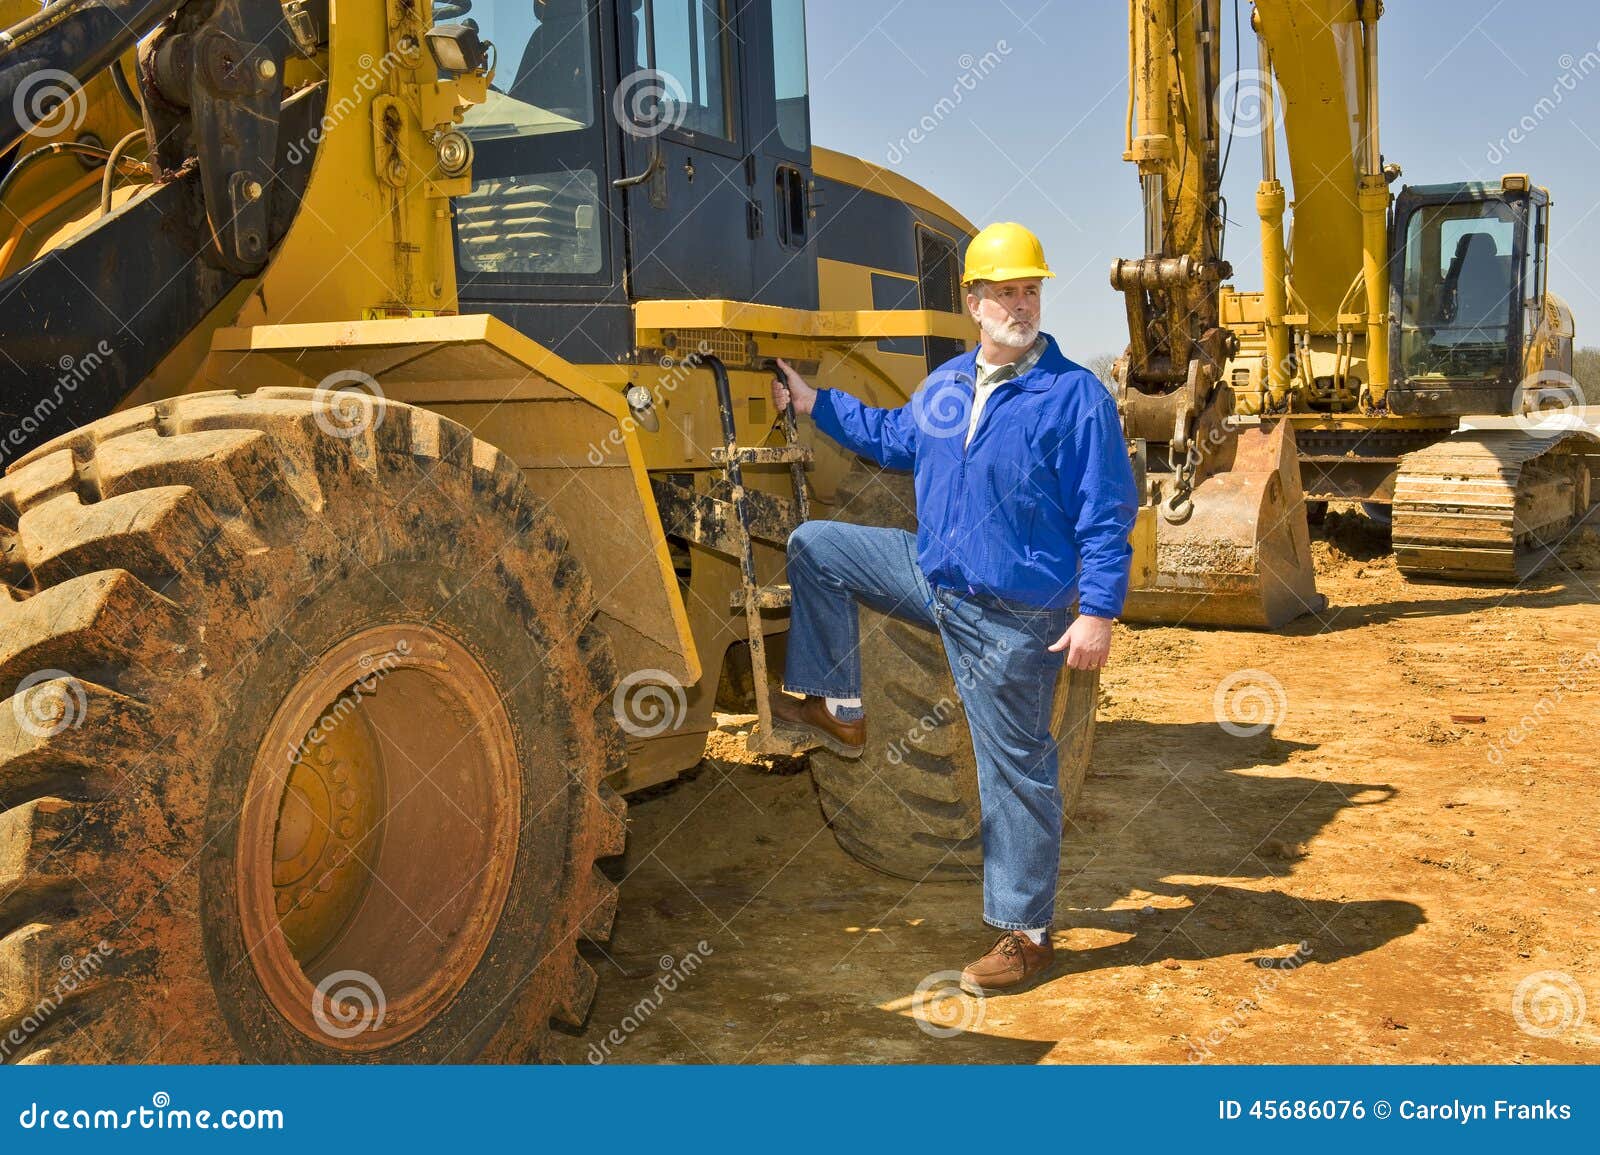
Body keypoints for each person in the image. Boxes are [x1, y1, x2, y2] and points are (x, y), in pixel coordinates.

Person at [767, 222, 1138, 996]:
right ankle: (838, 702)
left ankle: (1027, 935)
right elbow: (892, 436)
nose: (1021, 304)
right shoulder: (945, 387)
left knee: (1017, 776)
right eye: (1005, 290)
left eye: (1030, 289)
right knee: (815, 544)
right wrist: (814, 403)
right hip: (934, 578)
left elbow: (1107, 515)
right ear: (971, 301)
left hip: (1015, 618)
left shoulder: (1074, 398)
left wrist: (1098, 611)